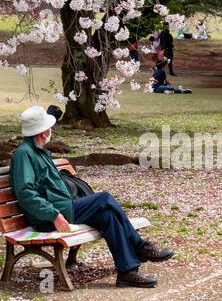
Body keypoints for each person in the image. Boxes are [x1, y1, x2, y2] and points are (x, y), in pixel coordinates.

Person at [10, 105, 172, 287]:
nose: (51, 130)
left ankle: (127, 272)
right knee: (104, 198)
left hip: (64, 207)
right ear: (42, 131)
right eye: (49, 126)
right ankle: (139, 245)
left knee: (107, 215)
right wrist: (53, 215)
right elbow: (25, 194)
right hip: (52, 216)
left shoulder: (38, 150)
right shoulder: (24, 154)